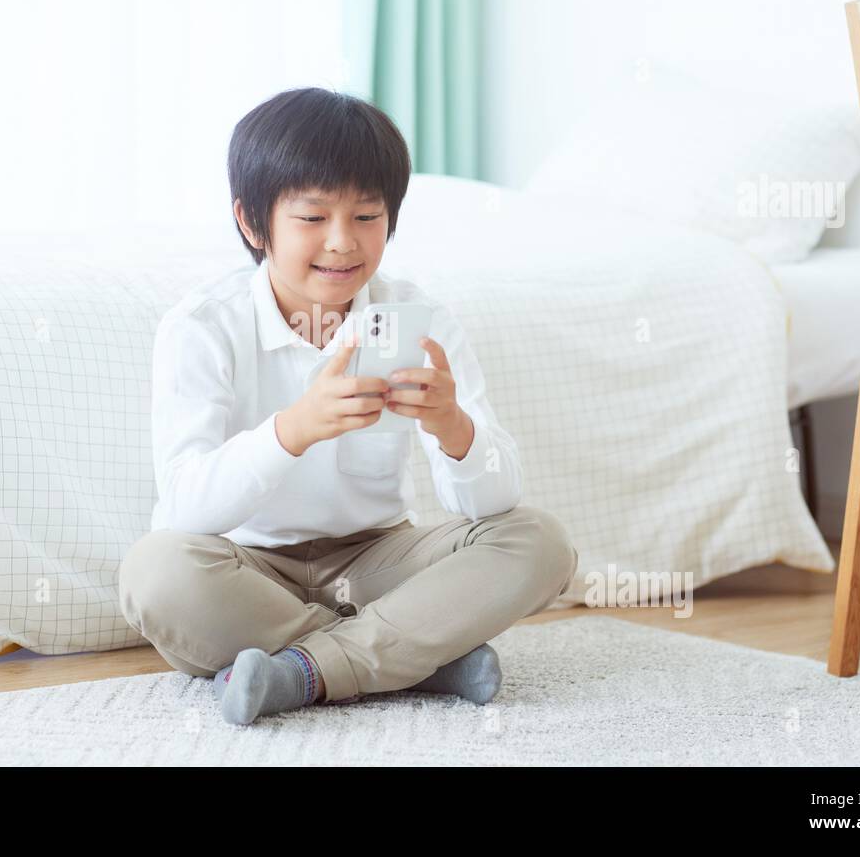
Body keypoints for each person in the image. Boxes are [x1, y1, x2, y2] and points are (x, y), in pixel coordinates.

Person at [119, 87, 578, 725]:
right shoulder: (202, 326)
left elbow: (491, 505)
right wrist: (292, 431)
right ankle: (414, 660)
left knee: (540, 541)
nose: (342, 242)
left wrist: (453, 428)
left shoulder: (418, 318)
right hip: (249, 571)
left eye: (366, 216)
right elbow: (183, 509)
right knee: (156, 572)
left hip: (379, 562)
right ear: (252, 222)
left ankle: (301, 670)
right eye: (312, 218)